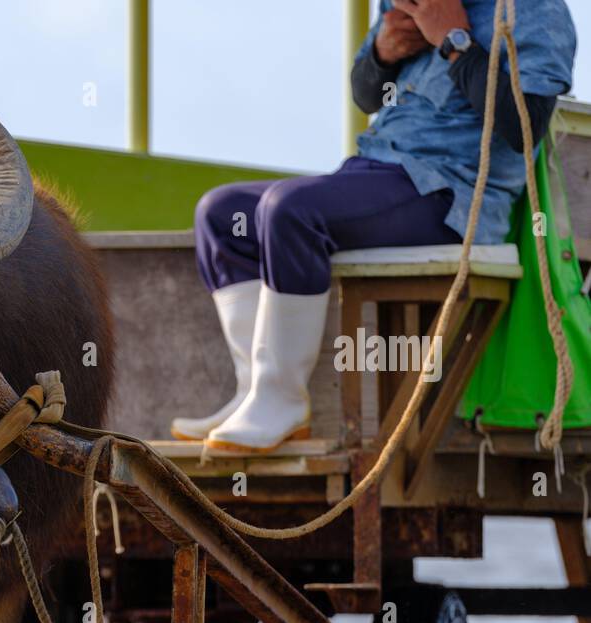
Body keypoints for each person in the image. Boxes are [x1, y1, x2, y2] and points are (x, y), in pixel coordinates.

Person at [173, 0, 576, 454]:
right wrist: (383, 54)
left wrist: (454, 40)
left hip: (452, 195)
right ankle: (254, 394)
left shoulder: (535, 9)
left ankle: (280, 398)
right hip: (375, 170)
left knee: (290, 211)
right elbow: (367, 96)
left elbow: (523, 127)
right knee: (221, 214)